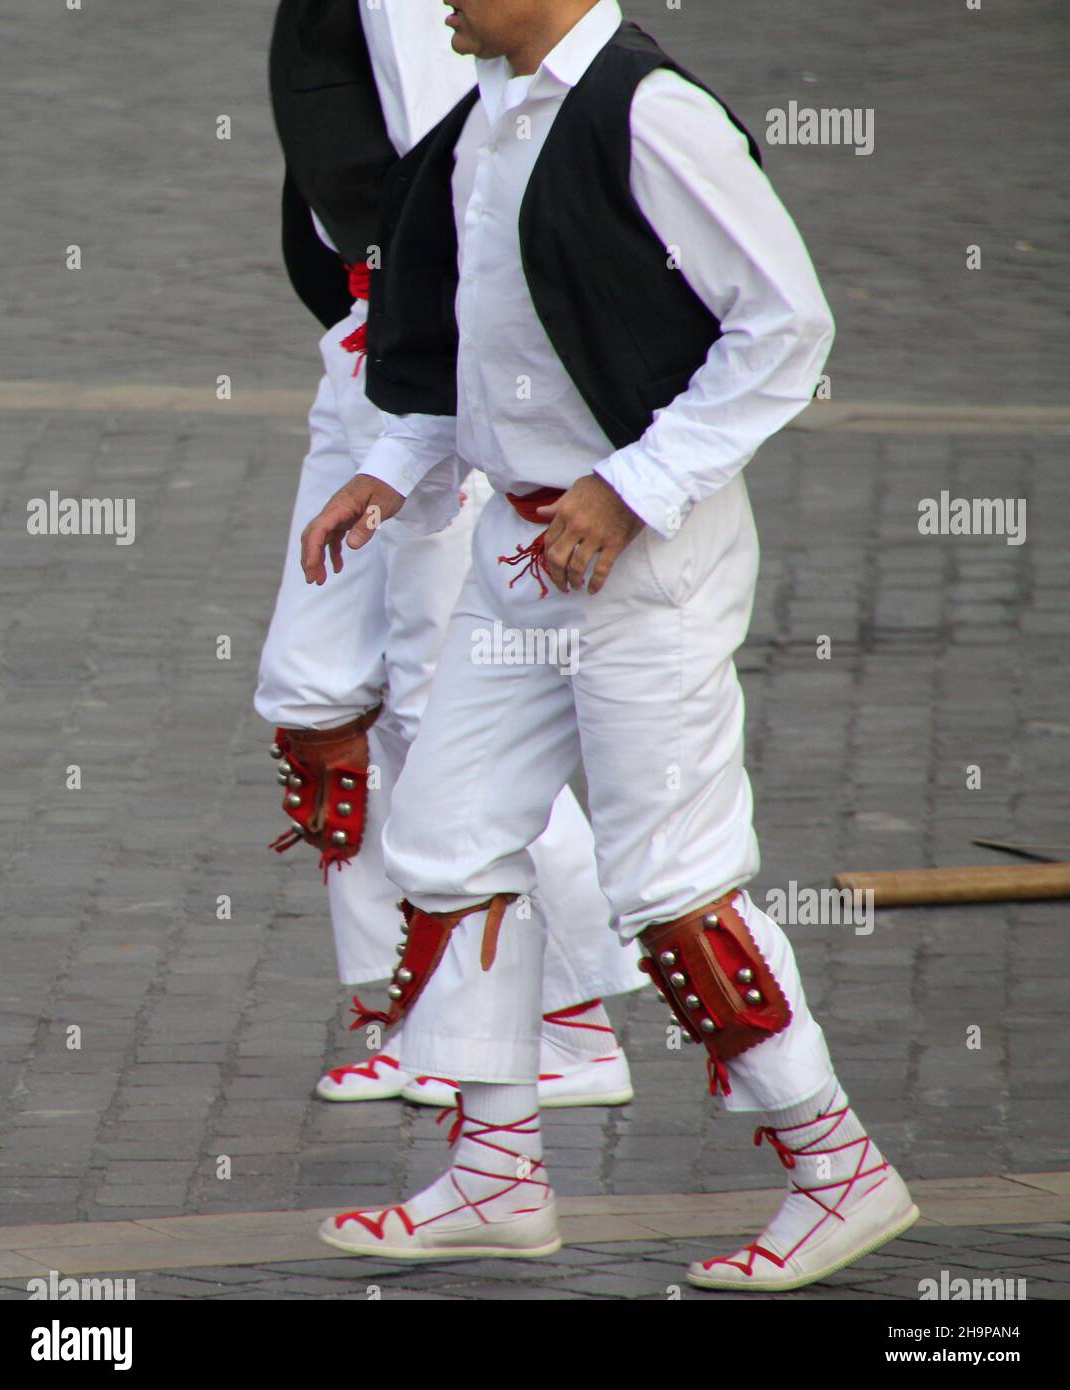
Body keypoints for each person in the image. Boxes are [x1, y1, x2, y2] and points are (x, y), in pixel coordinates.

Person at [301, 0, 919, 1289]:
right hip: (518, 556)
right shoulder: (486, 121)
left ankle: (837, 1166)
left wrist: (636, 485)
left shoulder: (652, 112)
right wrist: (394, 463)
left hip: (649, 564)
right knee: (447, 835)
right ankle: (495, 1171)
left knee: (672, 882)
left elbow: (787, 328)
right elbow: (466, 344)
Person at [258, 0, 644, 1111]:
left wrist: (449, 382)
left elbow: (466, 172)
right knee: (317, 692)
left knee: (440, 703)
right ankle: (403, 1005)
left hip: (435, 367)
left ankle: (569, 1027)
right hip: (363, 354)